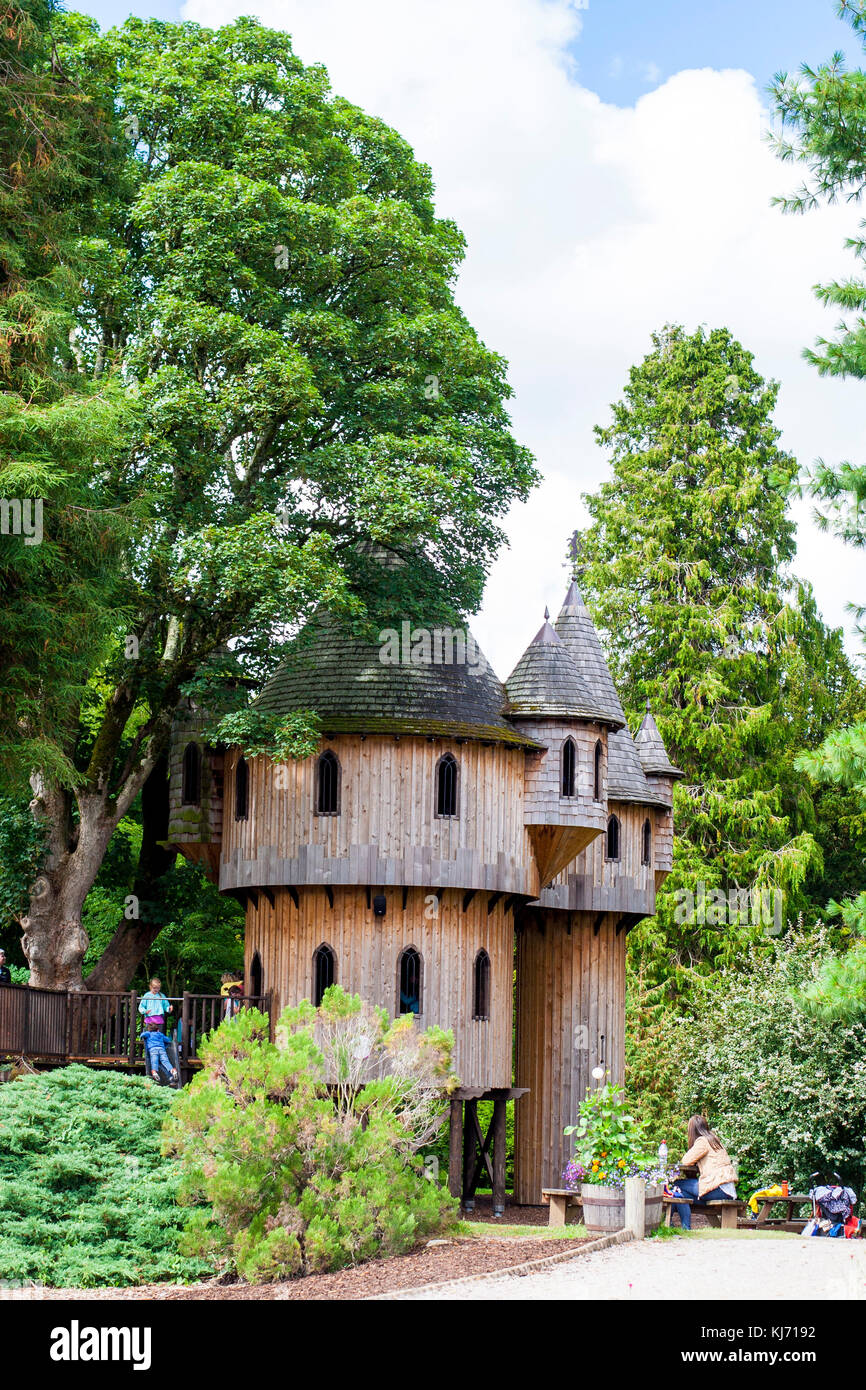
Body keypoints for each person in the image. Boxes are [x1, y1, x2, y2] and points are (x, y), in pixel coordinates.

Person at [671, 1114, 738, 1231]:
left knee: (677, 1185)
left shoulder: (702, 1141)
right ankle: (685, 1229)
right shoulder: (714, 1140)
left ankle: (674, 1224)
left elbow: (686, 1161)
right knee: (681, 1193)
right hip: (728, 1189)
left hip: (718, 1188)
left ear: (692, 1131)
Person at [142, 1019, 177, 1084]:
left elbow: (142, 1035)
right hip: (161, 1049)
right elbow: (168, 1040)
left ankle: (154, 1072)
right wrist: (165, 1046)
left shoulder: (148, 1034)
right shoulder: (160, 1034)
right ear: (157, 1029)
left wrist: (145, 1034)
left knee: (154, 1062)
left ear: (149, 1030)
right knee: (165, 1061)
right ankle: (173, 1070)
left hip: (153, 1050)